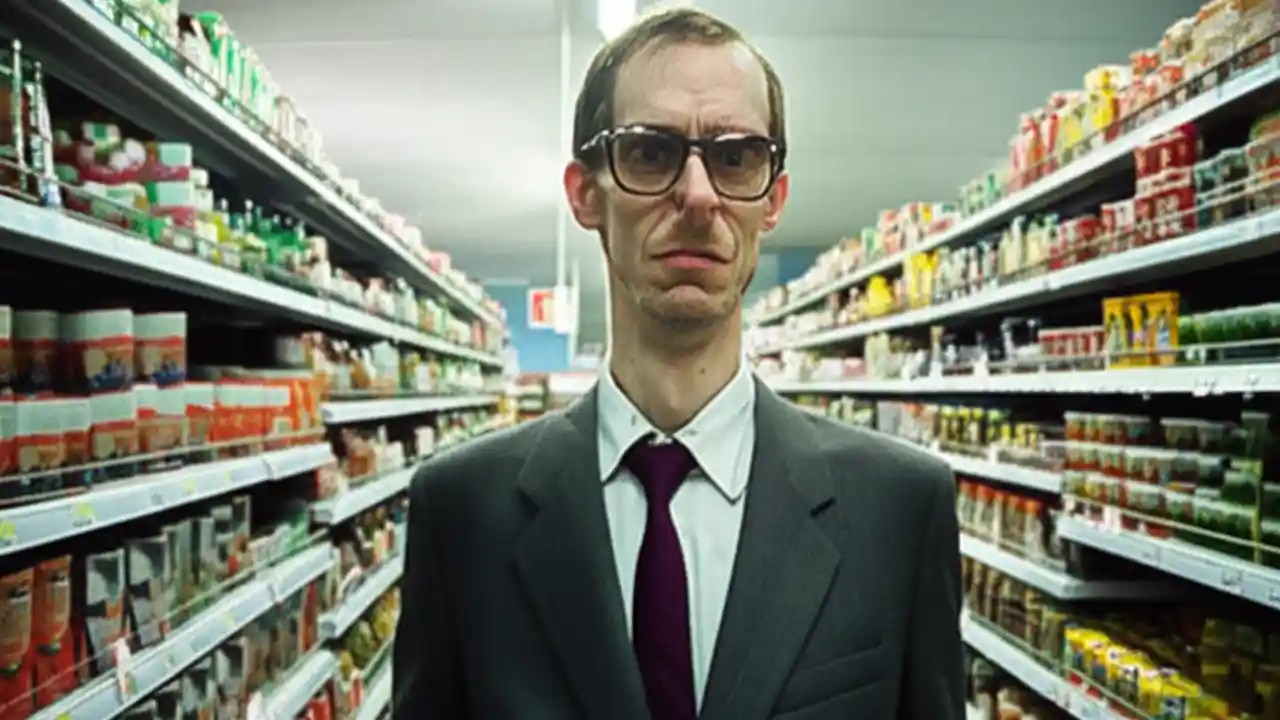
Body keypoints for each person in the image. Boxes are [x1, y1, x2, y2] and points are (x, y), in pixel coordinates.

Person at [391, 7, 963, 719]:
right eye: (651, 152)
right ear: (585, 193)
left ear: (773, 200)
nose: (698, 196)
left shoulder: (900, 509)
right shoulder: (463, 510)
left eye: (735, 158)